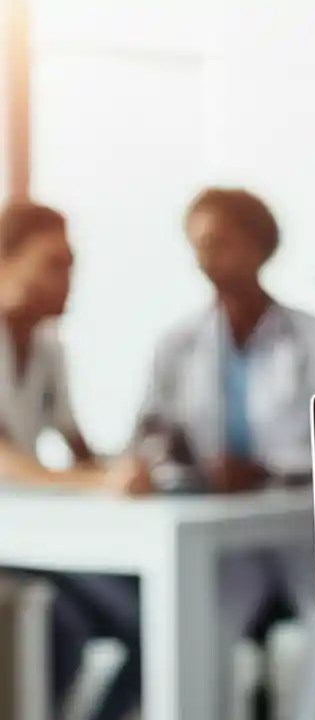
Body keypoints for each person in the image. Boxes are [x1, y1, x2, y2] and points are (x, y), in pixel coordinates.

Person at [121, 188, 315, 719]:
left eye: (218, 242)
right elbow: (147, 435)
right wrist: (173, 455)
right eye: (197, 245)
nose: (204, 257)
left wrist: (263, 471)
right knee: (199, 622)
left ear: (259, 246)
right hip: (223, 535)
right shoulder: (177, 342)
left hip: (301, 528)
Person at [0, 201, 147, 720]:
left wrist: (131, 465)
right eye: (53, 264)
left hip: (37, 541)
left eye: (71, 264)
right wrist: (100, 482)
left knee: (134, 614)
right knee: (115, 620)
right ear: (5, 263)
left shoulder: (47, 347)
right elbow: (5, 461)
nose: (68, 280)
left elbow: (78, 449)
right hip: (13, 542)